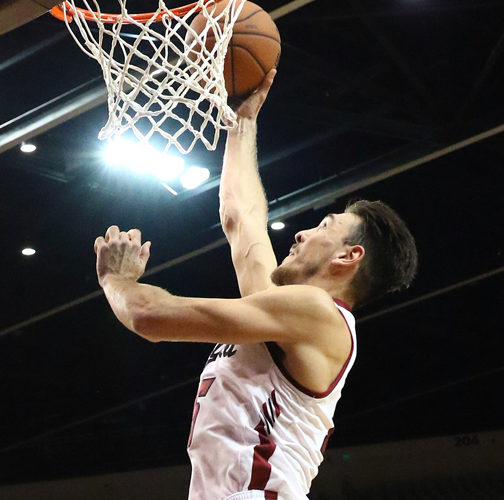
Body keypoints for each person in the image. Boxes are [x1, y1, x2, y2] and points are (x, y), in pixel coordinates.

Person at [94, 70, 418, 500]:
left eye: (324, 226)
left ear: (348, 257)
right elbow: (241, 217)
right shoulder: (286, 313)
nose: (301, 234)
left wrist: (115, 280)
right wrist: (242, 121)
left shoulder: (318, 312)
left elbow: (150, 317)